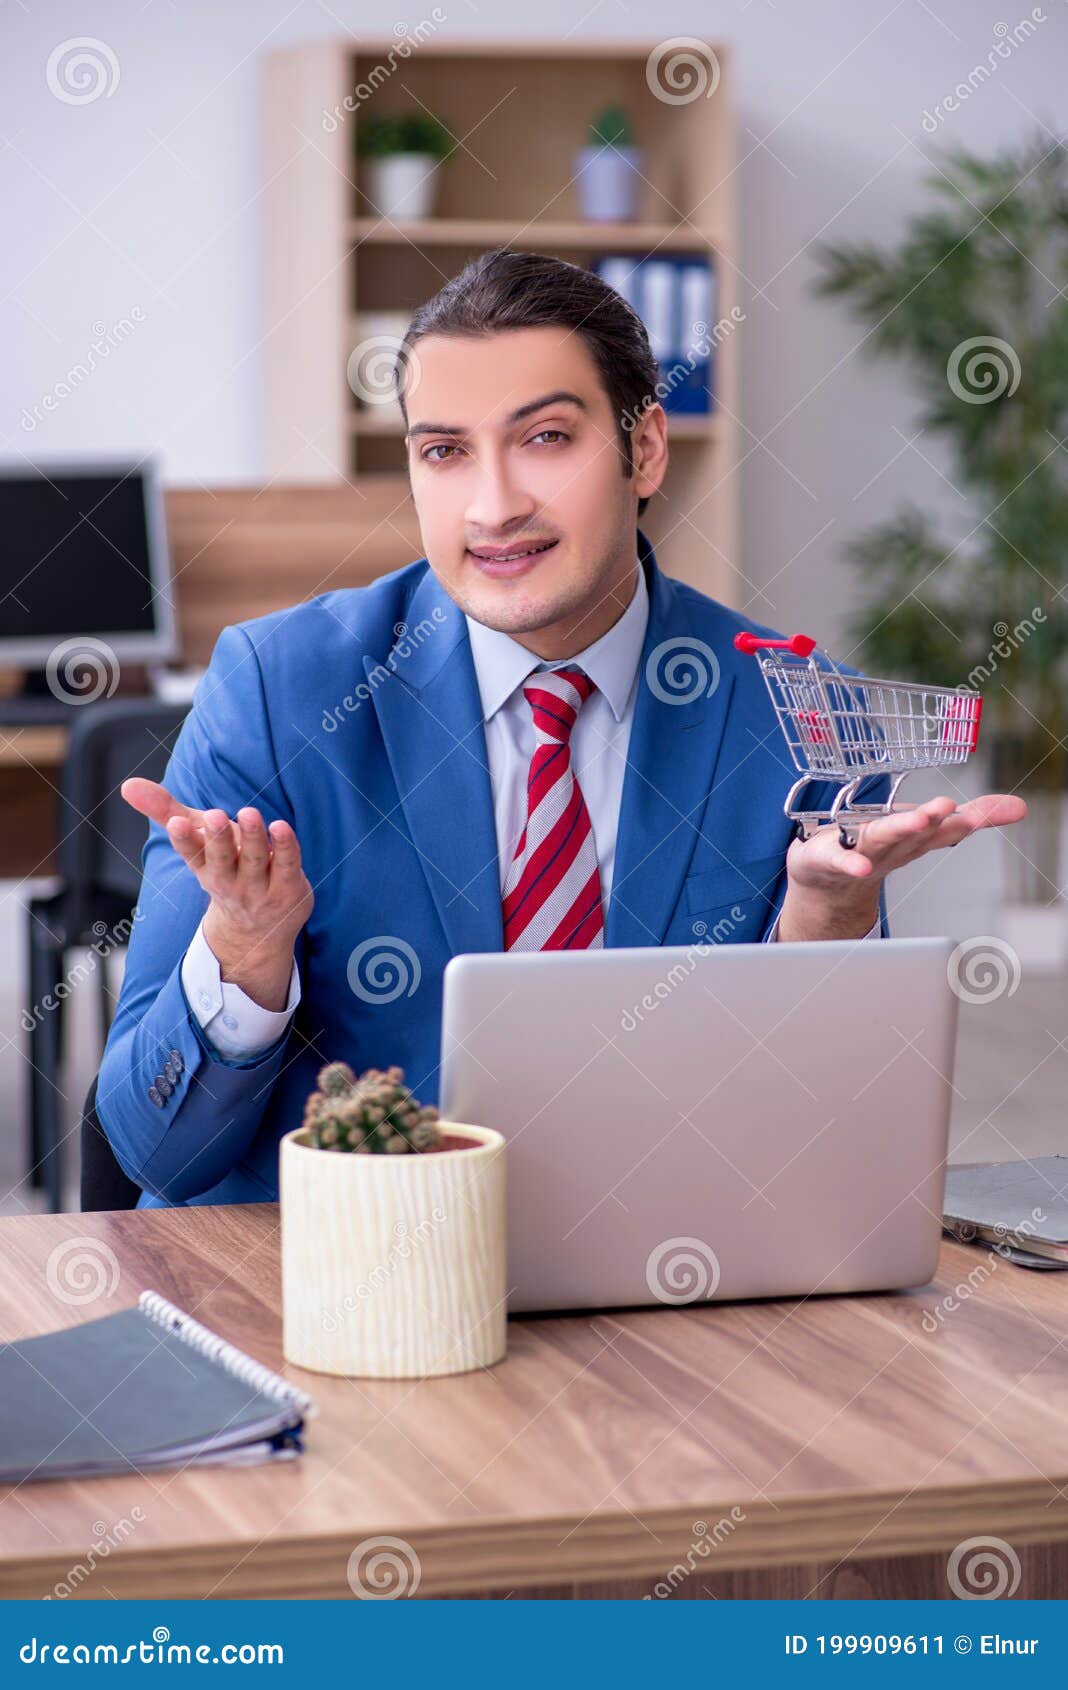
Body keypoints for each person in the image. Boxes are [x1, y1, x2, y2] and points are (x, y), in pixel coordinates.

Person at [99, 248, 1025, 1208]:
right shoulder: (278, 689)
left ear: (646, 451)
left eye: (544, 437)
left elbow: (834, 1153)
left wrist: (824, 928)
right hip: (345, 1292)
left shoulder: (791, 713)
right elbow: (152, 1153)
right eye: (445, 451)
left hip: (660, 1276)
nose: (494, 506)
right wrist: (246, 956)